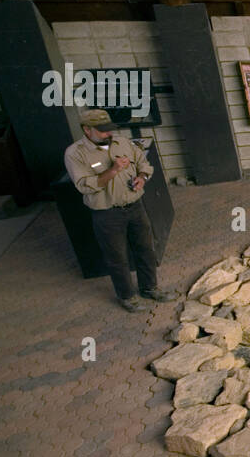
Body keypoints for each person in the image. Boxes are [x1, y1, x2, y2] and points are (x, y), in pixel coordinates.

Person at [63, 109, 175, 312]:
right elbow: (84, 185)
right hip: (107, 214)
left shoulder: (123, 142)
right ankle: (127, 296)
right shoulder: (75, 153)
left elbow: (144, 164)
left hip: (135, 206)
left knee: (145, 249)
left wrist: (142, 178)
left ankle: (149, 288)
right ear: (87, 130)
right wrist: (113, 169)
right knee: (117, 257)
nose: (109, 134)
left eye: (110, 129)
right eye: (102, 130)